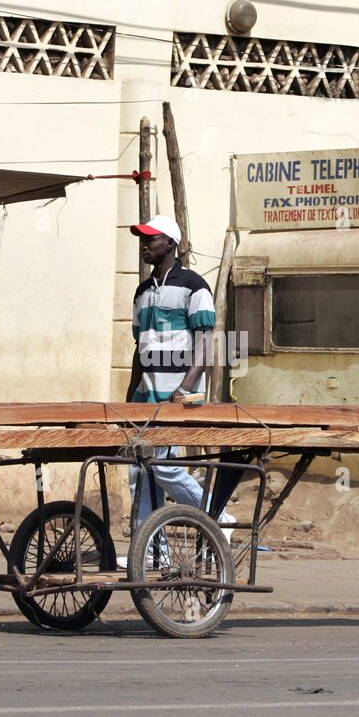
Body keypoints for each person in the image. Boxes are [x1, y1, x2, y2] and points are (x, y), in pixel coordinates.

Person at [122, 214, 221, 565]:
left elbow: (206, 342)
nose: (145, 244)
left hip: (179, 394)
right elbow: (140, 347)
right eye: (142, 238)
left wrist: (186, 386)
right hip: (146, 395)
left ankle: (218, 516)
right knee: (139, 470)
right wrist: (130, 396)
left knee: (163, 467)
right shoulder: (142, 291)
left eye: (152, 238)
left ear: (171, 244)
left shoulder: (194, 286)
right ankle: (152, 554)